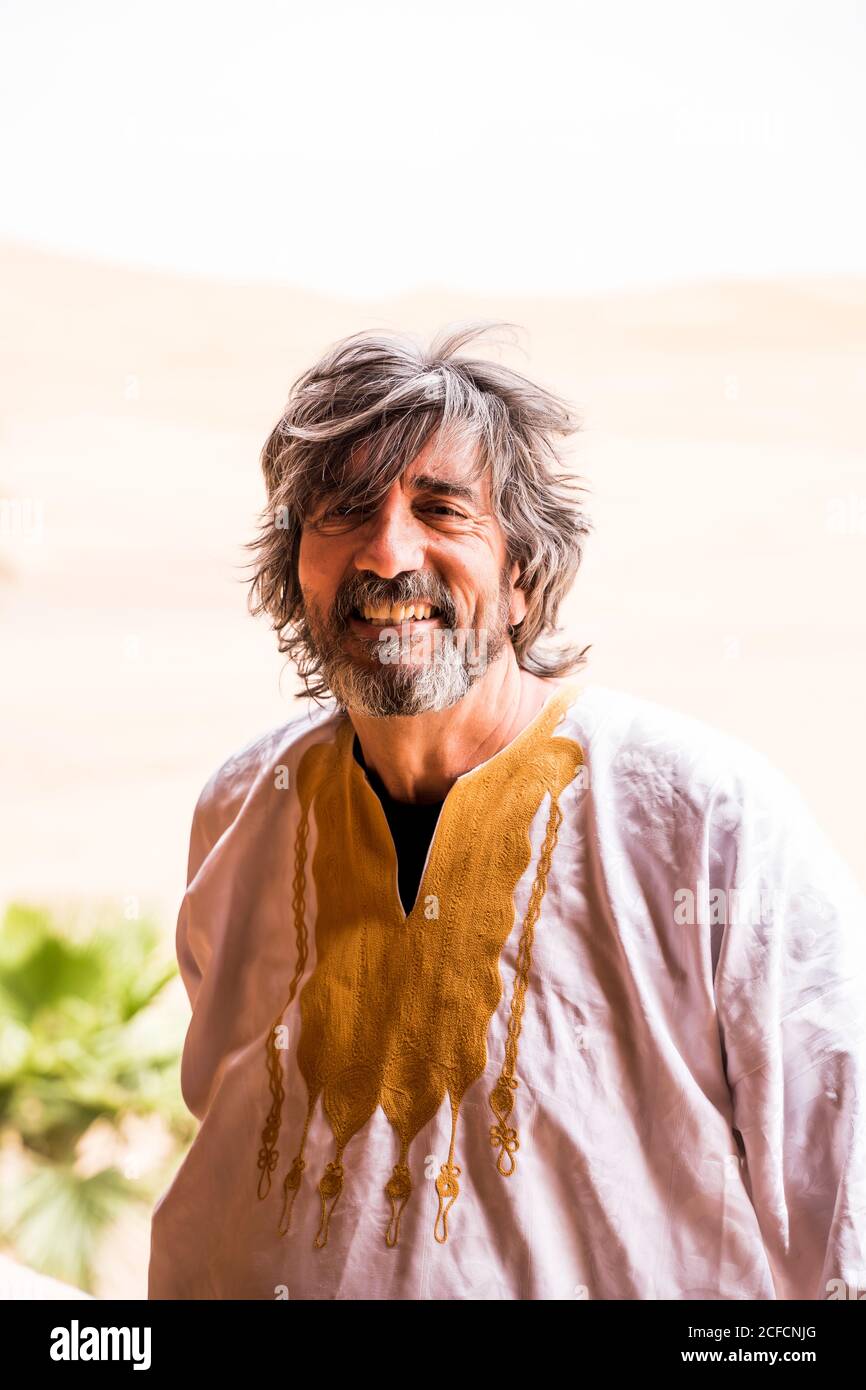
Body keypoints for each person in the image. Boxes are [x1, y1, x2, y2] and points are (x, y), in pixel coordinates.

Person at [148, 322, 866, 1300]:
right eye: (341, 511)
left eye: (439, 509)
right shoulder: (240, 809)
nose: (385, 549)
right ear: (296, 567)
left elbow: (842, 1199)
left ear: (522, 574)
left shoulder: (705, 820)